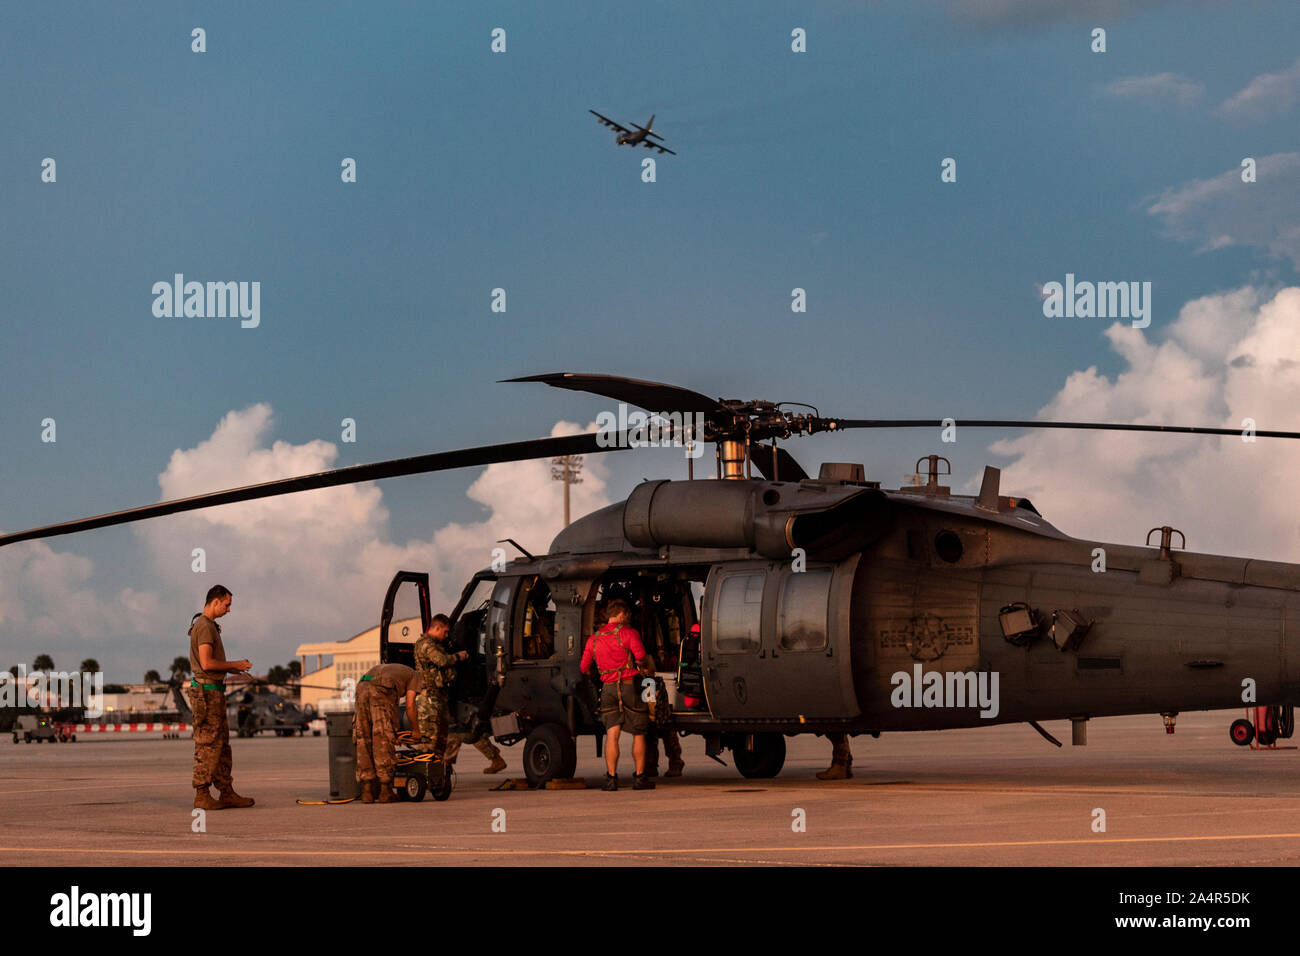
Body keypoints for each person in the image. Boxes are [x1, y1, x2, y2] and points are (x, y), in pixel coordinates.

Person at [187, 585, 254, 811]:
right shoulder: (204, 627)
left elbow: (212, 666)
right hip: (206, 694)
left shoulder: (209, 626)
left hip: (214, 691)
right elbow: (206, 664)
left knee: (222, 745)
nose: (228, 609)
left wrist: (233, 671)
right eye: (227, 604)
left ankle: (226, 791)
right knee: (208, 744)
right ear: (215, 602)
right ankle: (202, 794)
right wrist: (234, 664)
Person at [580, 598, 654, 791]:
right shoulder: (628, 633)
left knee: (612, 734)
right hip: (630, 685)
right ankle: (640, 778)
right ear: (621, 614)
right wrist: (644, 667)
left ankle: (611, 778)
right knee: (639, 732)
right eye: (627, 615)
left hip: (608, 688)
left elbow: (583, 667)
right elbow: (640, 657)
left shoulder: (594, 639)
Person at [352, 662, 422, 803]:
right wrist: (416, 730)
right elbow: (410, 705)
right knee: (382, 738)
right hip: (382, 688)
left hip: (362, 686)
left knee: (363, 737)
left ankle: (367, 790)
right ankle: (385, 790)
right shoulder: (416, 676)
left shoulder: (395, 668)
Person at [413, 614, 467, 763]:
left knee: (442, 739)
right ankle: (425, 773)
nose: (446, 635)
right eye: (445, 632)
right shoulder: (425, 644)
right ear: (437, 628)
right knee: (429, 741)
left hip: (439, 696)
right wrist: (458, 657)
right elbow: (441, 660)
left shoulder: (437, 645)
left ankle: (439, 776)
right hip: (429, 699)